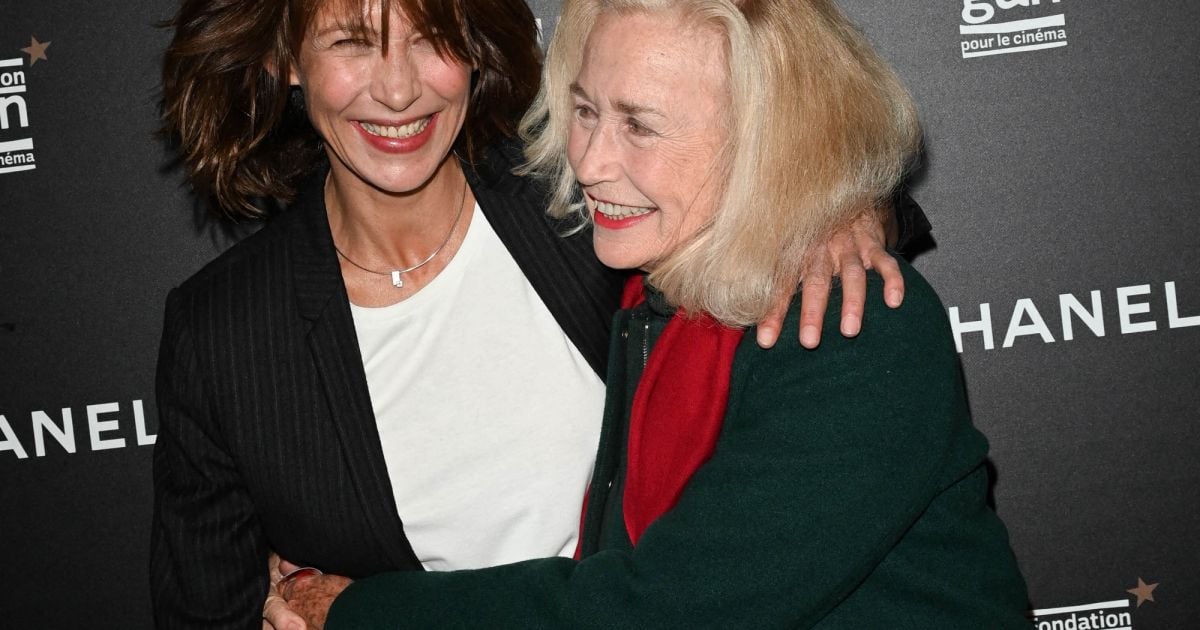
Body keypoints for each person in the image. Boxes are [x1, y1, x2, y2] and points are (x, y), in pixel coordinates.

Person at [151, 0, 926, 627]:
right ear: (287, 58)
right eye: (353, 42)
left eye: (431, 37)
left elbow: (768, 171)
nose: (397, 90)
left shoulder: (585, 193)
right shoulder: (222, 333)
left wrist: (845, 216)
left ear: (475, 46)